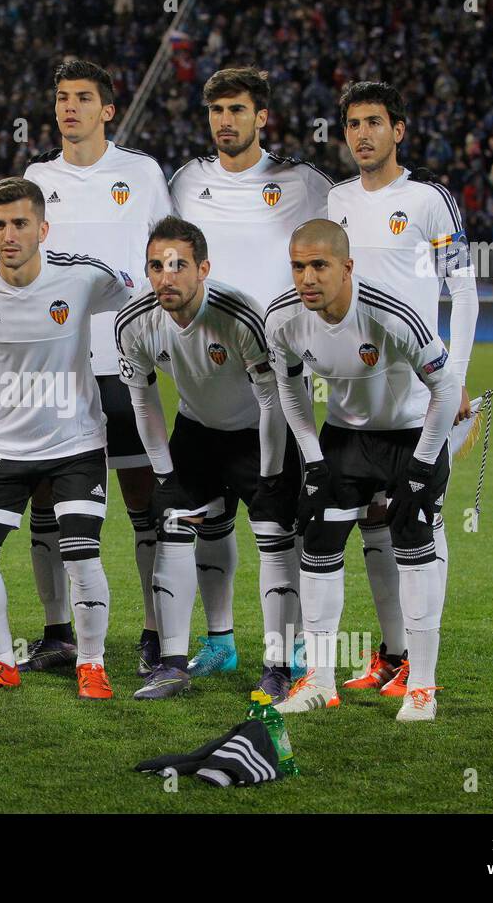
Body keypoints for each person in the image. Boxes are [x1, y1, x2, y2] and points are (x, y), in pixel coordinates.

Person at [168, 66, 332, 685]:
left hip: (277, 387)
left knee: (275, 528)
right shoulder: (184, 182)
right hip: (202, 387)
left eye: (237, 110)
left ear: (261, 117)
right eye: (216, 111)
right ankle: (219, 641)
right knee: (208, 524)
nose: (225, 122)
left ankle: (284, 653)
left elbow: (349, 242)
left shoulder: (303, 182)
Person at [265, 219, 459, 722]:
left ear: (347, 267)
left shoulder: (391, 314)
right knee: (318, 546)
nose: (306, 278)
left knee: (414, 553)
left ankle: (422, 686)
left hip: (410, 434)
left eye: (319, 266)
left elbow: (445, 388)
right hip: (345, 439)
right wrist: (311, 456)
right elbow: (290, 389)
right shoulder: (282, 319)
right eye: (298, 266)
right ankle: (321, 681)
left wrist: (421, 463)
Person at [0, 177, 132, 698]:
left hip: (76, 440)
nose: (9, 235)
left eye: (20, 224)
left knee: (80, 553)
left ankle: (92, 664)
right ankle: (0, 661)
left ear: (42, 228)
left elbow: (135, 291)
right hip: (6, 443)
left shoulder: (82, 277)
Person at [21, 59, 173, 675]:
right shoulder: (36, 176)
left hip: (125, 361)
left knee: (143, 497)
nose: (70, 108)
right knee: (47, 496)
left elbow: (165, 252)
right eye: (61, 97)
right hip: (56, 366)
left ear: (107, 110)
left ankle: (155, 631)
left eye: (83, 98)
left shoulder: (140, 173)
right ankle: (58, 633)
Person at [327, 81, 477, 695]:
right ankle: (391, 654)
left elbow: (463, 289)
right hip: (353, 404)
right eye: (353, 124)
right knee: (372, 526)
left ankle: (423, 666)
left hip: (419, 398)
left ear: (399, 129)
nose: (362, 134)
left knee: (421, 525)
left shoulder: (428, 200)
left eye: (374, 122)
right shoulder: (333, 201)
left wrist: (458, 373)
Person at [115, 216, 299, 701]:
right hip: (196, 433)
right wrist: (165, 475)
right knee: (173, 529)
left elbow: (272, 400)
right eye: (155, 266)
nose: (165, 276)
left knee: (275, 542)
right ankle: (178, 663)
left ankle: (283, 662)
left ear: (203, 269)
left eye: (177, 265)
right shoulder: (134, 323)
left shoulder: (240, 315)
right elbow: (144, 402)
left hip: (260, 435)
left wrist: (271, 473)